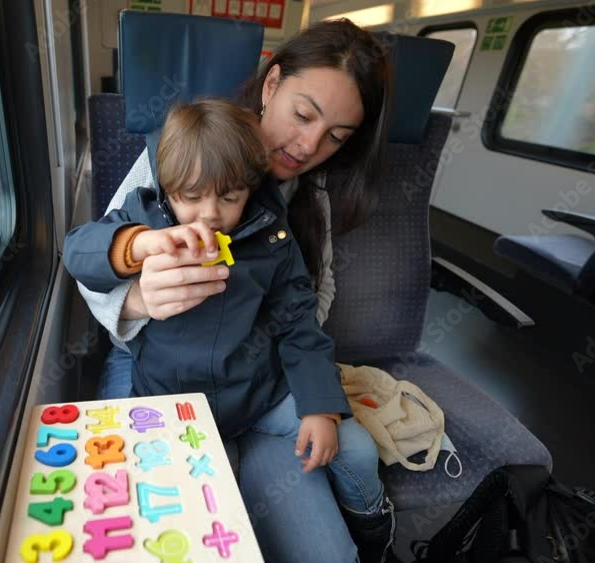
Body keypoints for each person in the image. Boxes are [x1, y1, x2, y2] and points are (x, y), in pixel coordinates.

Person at [79, 19, 395, 563]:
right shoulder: (179, 155)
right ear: (271, 85)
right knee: (155, 513)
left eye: (337, 137)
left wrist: (300, 384)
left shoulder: (288, 216)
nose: (309, 145)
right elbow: (89, 252)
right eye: (303, 115)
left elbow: (306, 309)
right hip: (163, 372)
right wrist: (140, 286)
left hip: (259, 383)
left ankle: (376, 530)